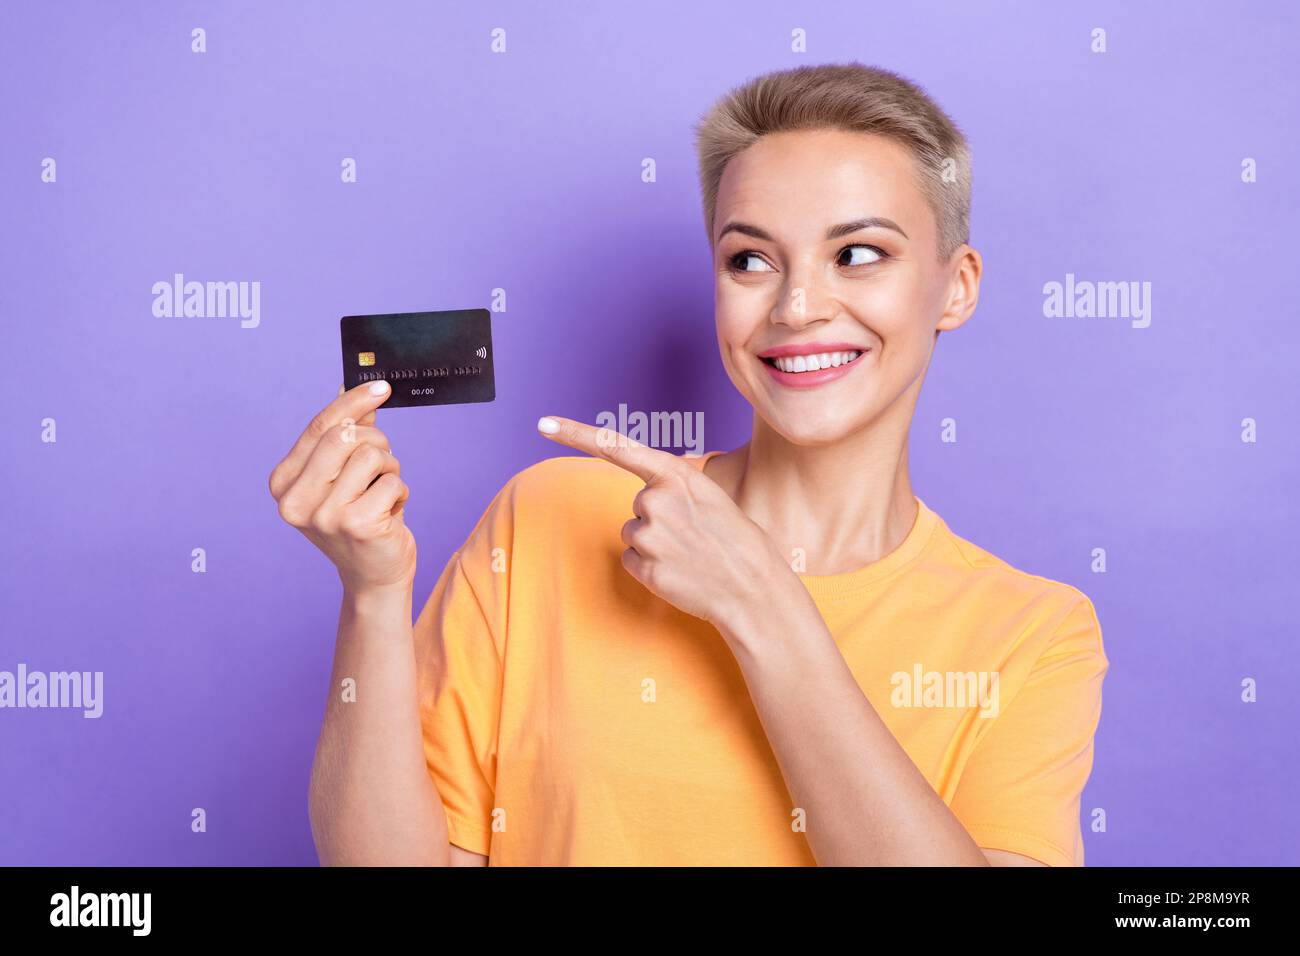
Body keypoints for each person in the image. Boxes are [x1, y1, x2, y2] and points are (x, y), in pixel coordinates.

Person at [269, 62, 1108, 866]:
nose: (797, 307)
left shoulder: (1034, 637)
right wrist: (375, 597)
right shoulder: (549, 519)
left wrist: (766, 608)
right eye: (750, 259)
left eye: (856, 254)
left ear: (956, 286)